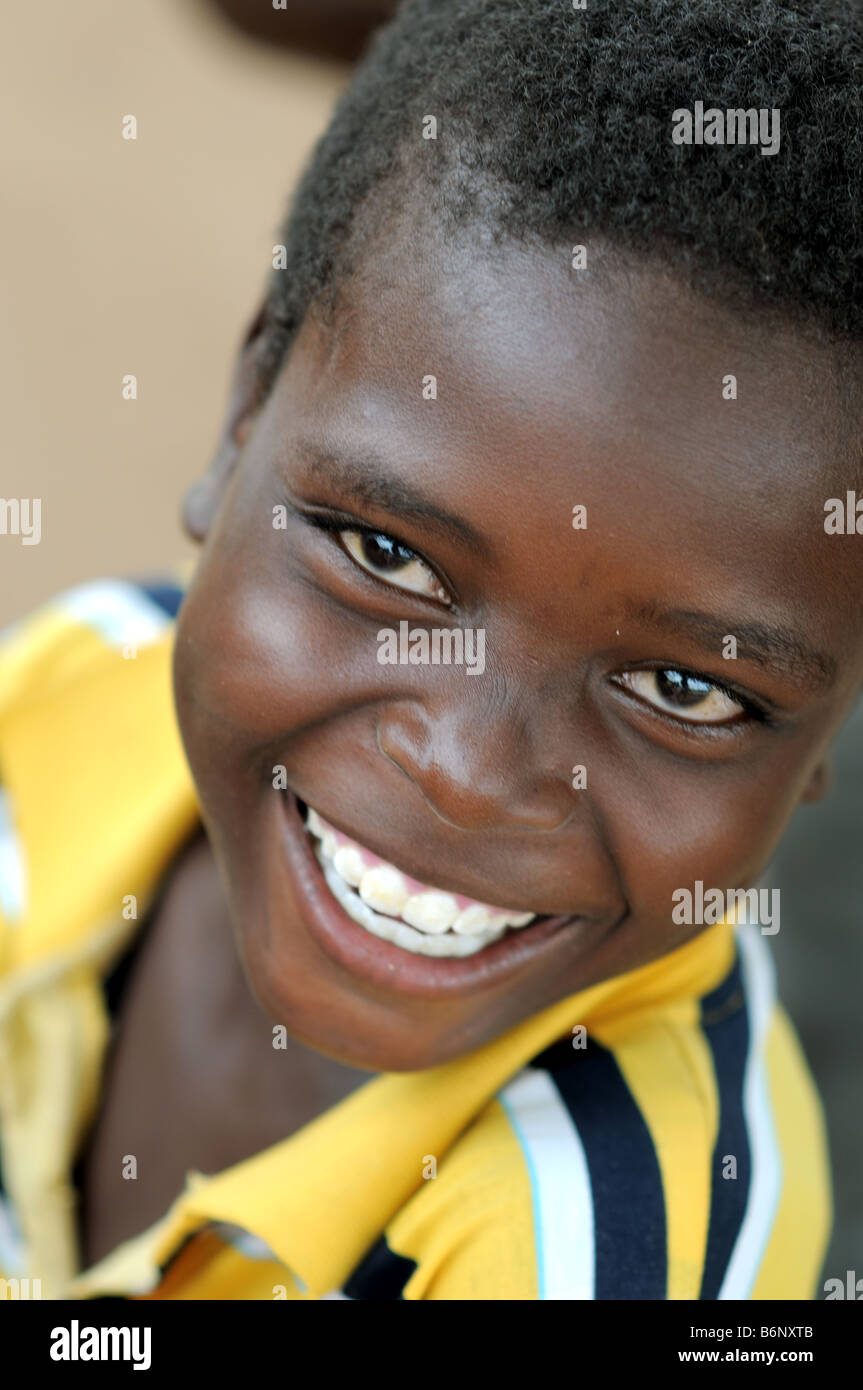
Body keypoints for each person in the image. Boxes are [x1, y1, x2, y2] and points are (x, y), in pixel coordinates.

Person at [2, 0, 858, 1300]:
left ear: (829, 738)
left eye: (684, 688)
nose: (465, 768)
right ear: (242, 415)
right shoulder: (77, 686)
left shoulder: (609, 1250)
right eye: (387, 557)